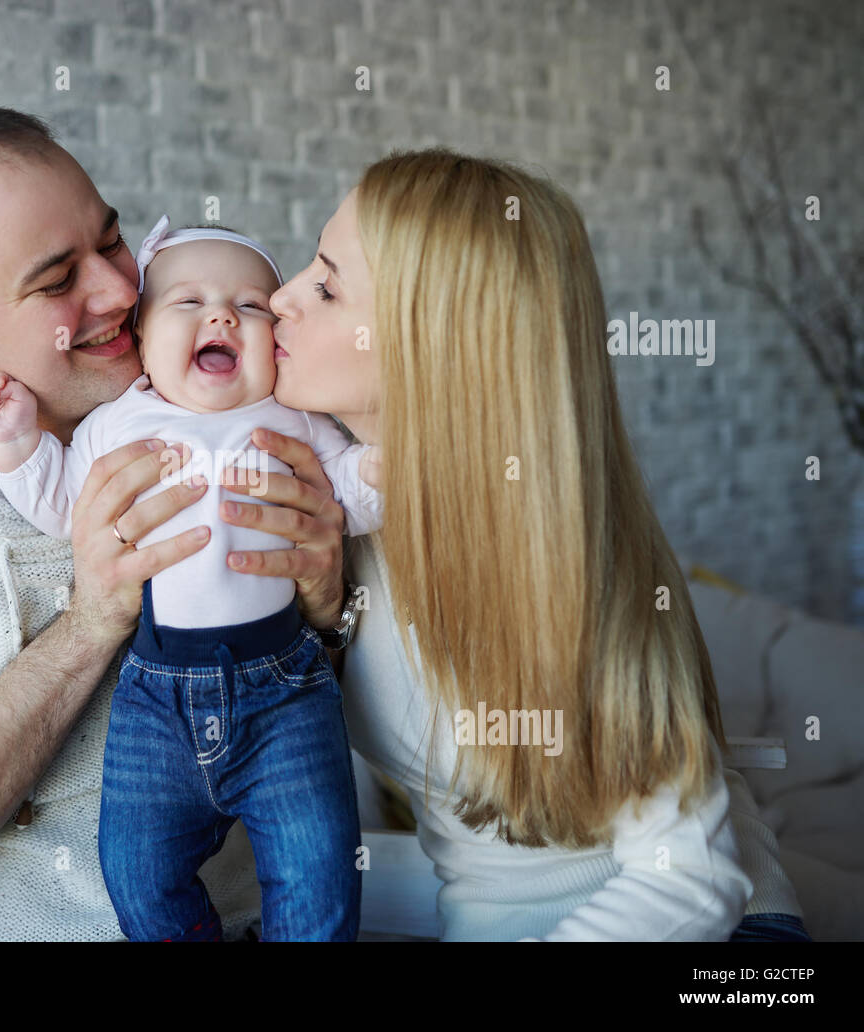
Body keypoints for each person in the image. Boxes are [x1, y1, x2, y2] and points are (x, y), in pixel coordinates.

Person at [0, 106, 356, 940]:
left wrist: (330, 613)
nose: (120, 289)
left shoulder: (265, 418)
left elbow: (355, 752)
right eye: (56, 280)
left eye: (111, 241)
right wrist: (87, 624)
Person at [263, 146, 812, 941]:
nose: (279, 299)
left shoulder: (568, 574)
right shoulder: (337, 504)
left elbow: (691, 880)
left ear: (434, 342)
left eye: (327, 284)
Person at [0, 215, 383, 940]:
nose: (222, 314)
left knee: (320, 867)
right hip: (155, 698)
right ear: (143, 342)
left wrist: (392, 458)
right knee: (137, 870)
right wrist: (18, 440)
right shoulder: (118, 423)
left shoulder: (292, 417)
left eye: (250, 306)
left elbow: (349, 495)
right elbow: (60, 505)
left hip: (287, 689)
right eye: (188, 303)